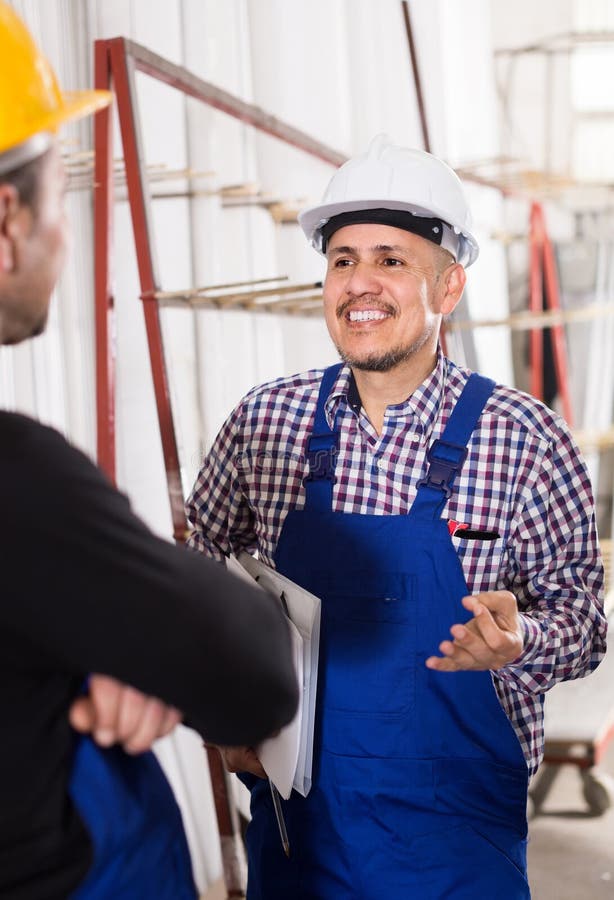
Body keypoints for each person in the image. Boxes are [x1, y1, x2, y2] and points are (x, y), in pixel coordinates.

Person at [186, 134, 608, 899]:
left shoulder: (524, 440)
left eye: (391, 259)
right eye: (343, 259)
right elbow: (191, 580)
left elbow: (584, 626)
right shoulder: (266, 423)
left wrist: (520, 642)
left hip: (457, 853)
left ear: (449, 288)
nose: (360, 284)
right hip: (297, 842)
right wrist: (222, 712)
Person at [0, 5, 298, 899]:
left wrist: (106, 633)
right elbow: (250, 666)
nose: (65, 232)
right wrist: (135, 641)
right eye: (65, 195)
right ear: (6, 219)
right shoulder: (19, 486)